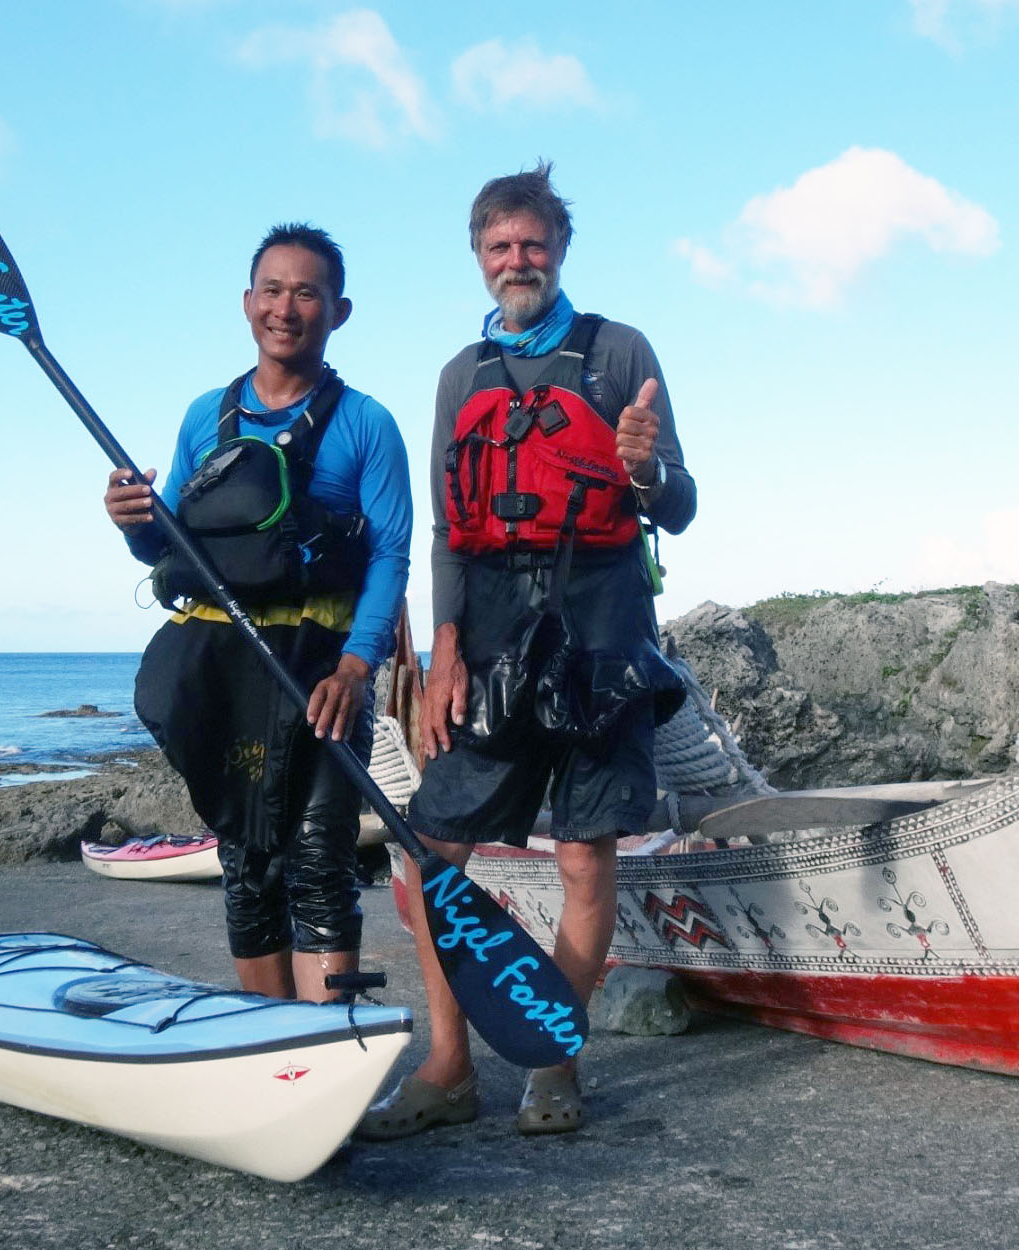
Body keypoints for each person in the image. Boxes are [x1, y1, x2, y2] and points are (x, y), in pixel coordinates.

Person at [358, 163, 695, 1138]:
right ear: (479, 257)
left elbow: (681, 504)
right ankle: (451, 1062)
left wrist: (648, 469)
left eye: (533, 243)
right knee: (433, 851)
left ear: (560, 250)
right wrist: (447, 641)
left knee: (585, 858)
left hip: (601, 639)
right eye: (500, 246)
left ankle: (553, 1053)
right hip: (493, 645)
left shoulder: (620, 349)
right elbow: (447, 528)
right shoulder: (459, 375)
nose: (518, 260)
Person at [103, 224, 411, 1003]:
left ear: (339, 310)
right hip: (224, 662)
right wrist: (134, 519)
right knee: (245, 854)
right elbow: (168, 551)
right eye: (272, 290)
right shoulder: (205, 416)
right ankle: (267, 1040)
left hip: (318, 667)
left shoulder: (366, 424)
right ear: (247, 303)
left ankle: (331, 1042)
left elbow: (390, 557)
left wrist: (355, 665)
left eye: (306, 292)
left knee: (318, 852)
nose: (286, 307)